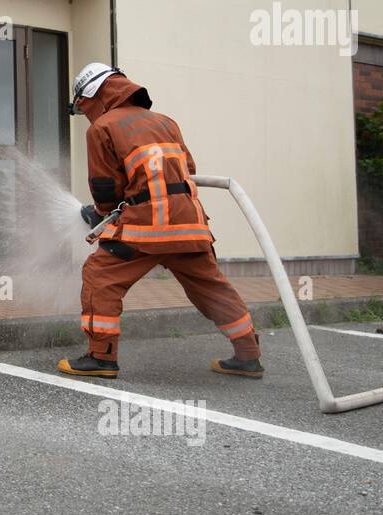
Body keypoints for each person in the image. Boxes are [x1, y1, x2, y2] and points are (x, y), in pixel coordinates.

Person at [61, 62, 262, 380]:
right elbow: (189, 169)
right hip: (190, 225)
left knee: (100, 277)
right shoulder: (167, 122)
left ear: (94, 96)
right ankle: (248, 355)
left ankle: (101, 357)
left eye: (84, 106)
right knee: (210, 288)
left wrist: (100, 213)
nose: (86, 114)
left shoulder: (102, 128)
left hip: (145, 228)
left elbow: (105, 186)